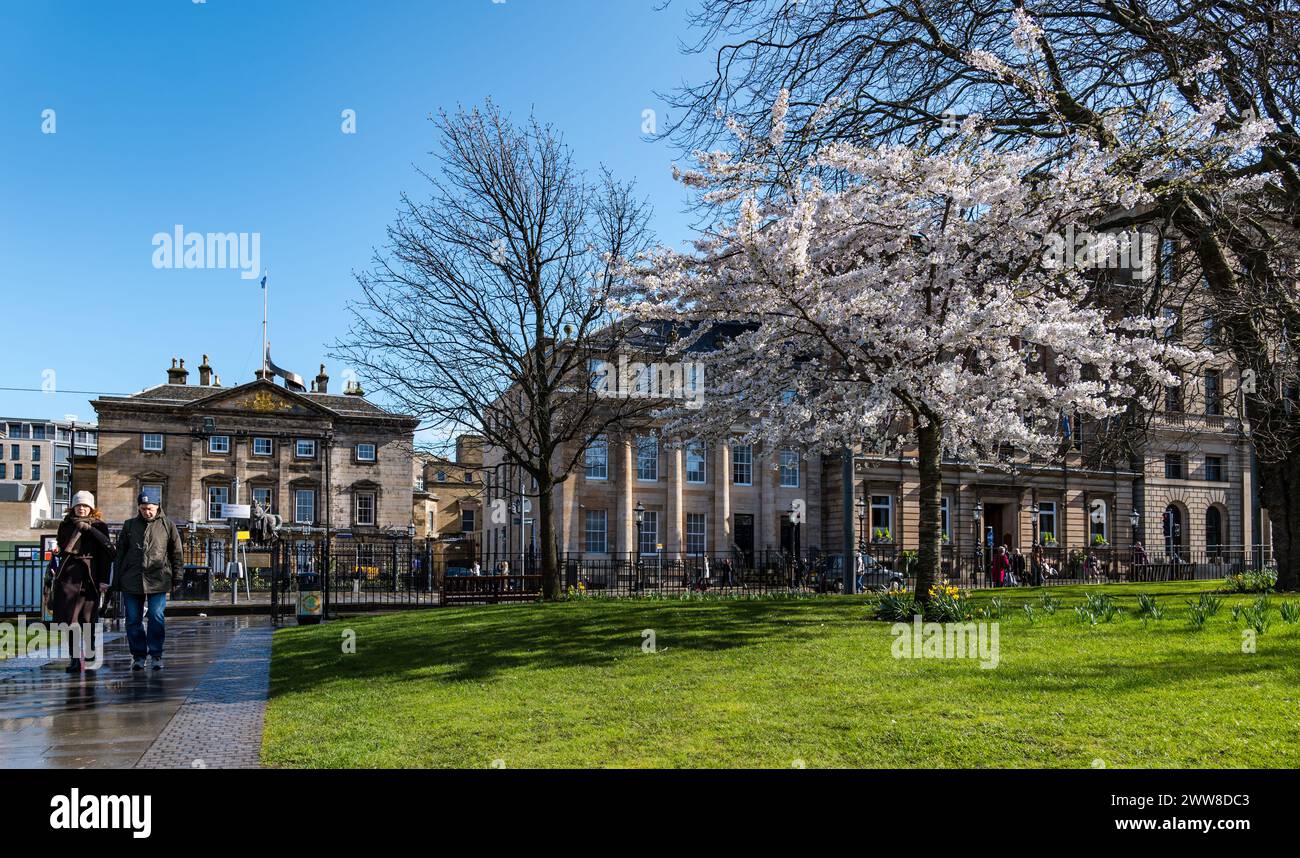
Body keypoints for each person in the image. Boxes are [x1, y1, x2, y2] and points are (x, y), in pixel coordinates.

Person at [114, 492, 184, 671]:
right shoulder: (129, 525)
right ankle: (138, 656)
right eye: (143, 509)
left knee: (156, 616)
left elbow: (177, 553)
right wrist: (116, 579)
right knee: (132, 620)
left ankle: (156, 654)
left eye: (150, 509)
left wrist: (178, 576)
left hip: (158, 578)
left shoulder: (168, 525)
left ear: (158, 507)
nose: (147, 512)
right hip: (132, 578)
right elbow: (120, 553)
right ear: (139, 508)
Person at [50, 492, 114, 673]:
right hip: (68, 577)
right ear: (73, 507)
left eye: (85, 506)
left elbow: (105, 555)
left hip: (90, 577)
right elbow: (62, 548)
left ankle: (90, 649)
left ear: (92, 508)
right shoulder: (65, 525)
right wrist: (58, 551)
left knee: (88, 619)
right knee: (70, 620)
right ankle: (75, 659)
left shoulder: (100, 526)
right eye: (79, 505)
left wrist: (103, 580)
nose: (82, 508)